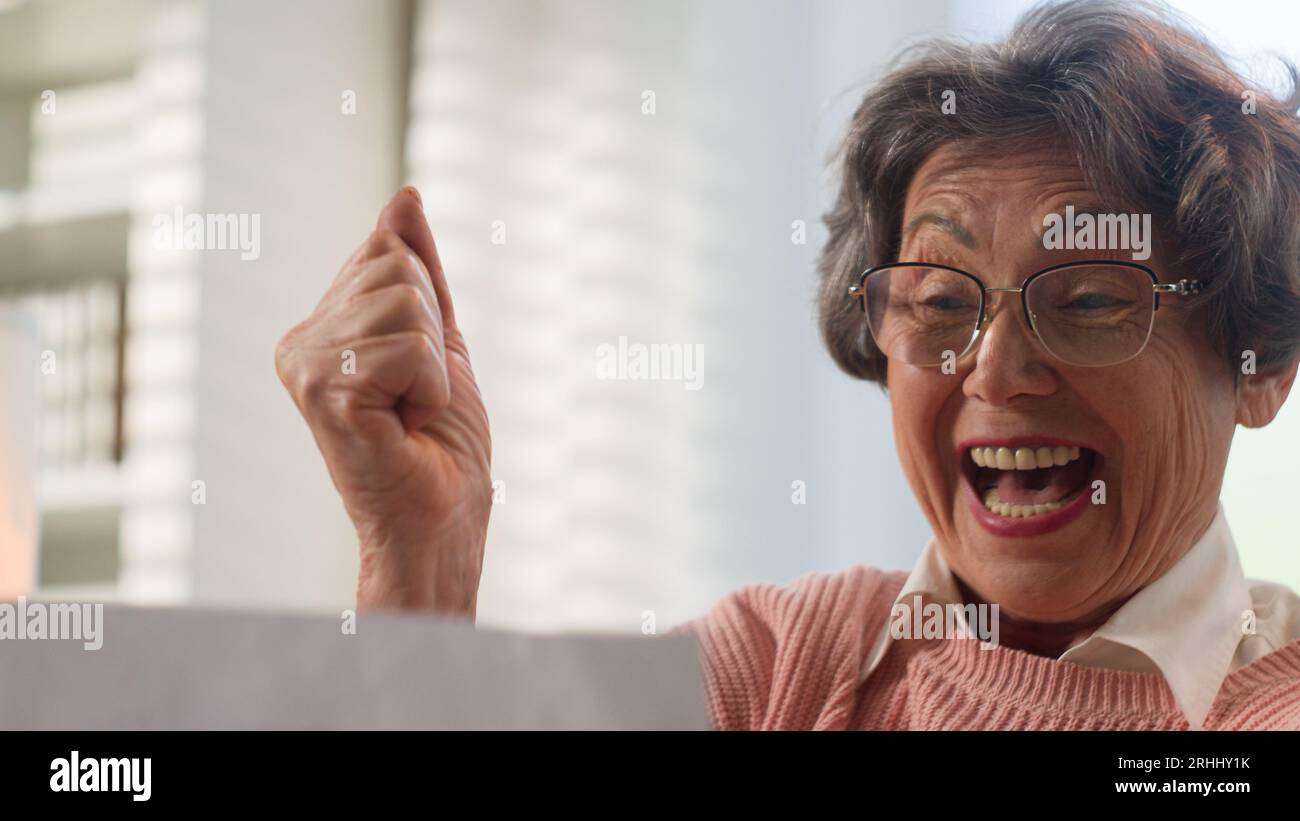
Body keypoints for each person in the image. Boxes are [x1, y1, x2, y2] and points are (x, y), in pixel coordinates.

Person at [274, 0, 1300, 729]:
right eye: (940, 301)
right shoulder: (773, 666)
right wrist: (422, 560)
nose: (995, 369)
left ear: (1256, 363)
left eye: (1085, 299)